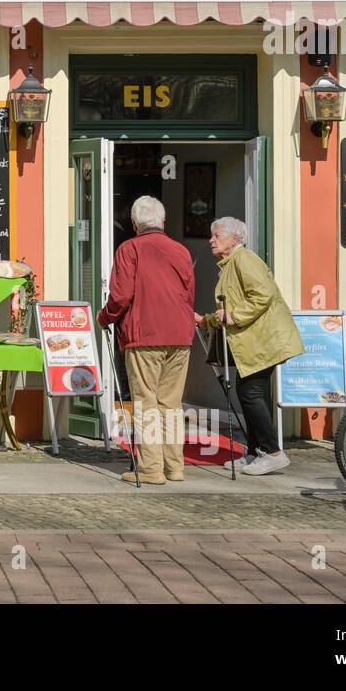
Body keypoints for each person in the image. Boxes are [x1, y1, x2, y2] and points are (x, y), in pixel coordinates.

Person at [96, 196, 195, 485]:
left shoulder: (130, 249)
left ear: (135, 223)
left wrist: (105, 318)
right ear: (162, 221)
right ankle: (175, 467)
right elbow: (189, 294)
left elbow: (121, 295)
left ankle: (151, 469)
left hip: (145, 334)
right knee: (172, 403)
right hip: (179, 334)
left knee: (146, 401)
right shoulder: (181, 250)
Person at [194, 217, 304, 476]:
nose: (211, 239)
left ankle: (273, 452)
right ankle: (256, 452)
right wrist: (204, 321)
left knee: (250, 394)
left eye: (217, 235)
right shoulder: (231, 263)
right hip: (255, 342)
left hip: (262, 342)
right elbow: (227, 308)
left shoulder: (244, 260)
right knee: (252, 393)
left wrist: (232, 316)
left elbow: (262, 294)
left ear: (234, 239)